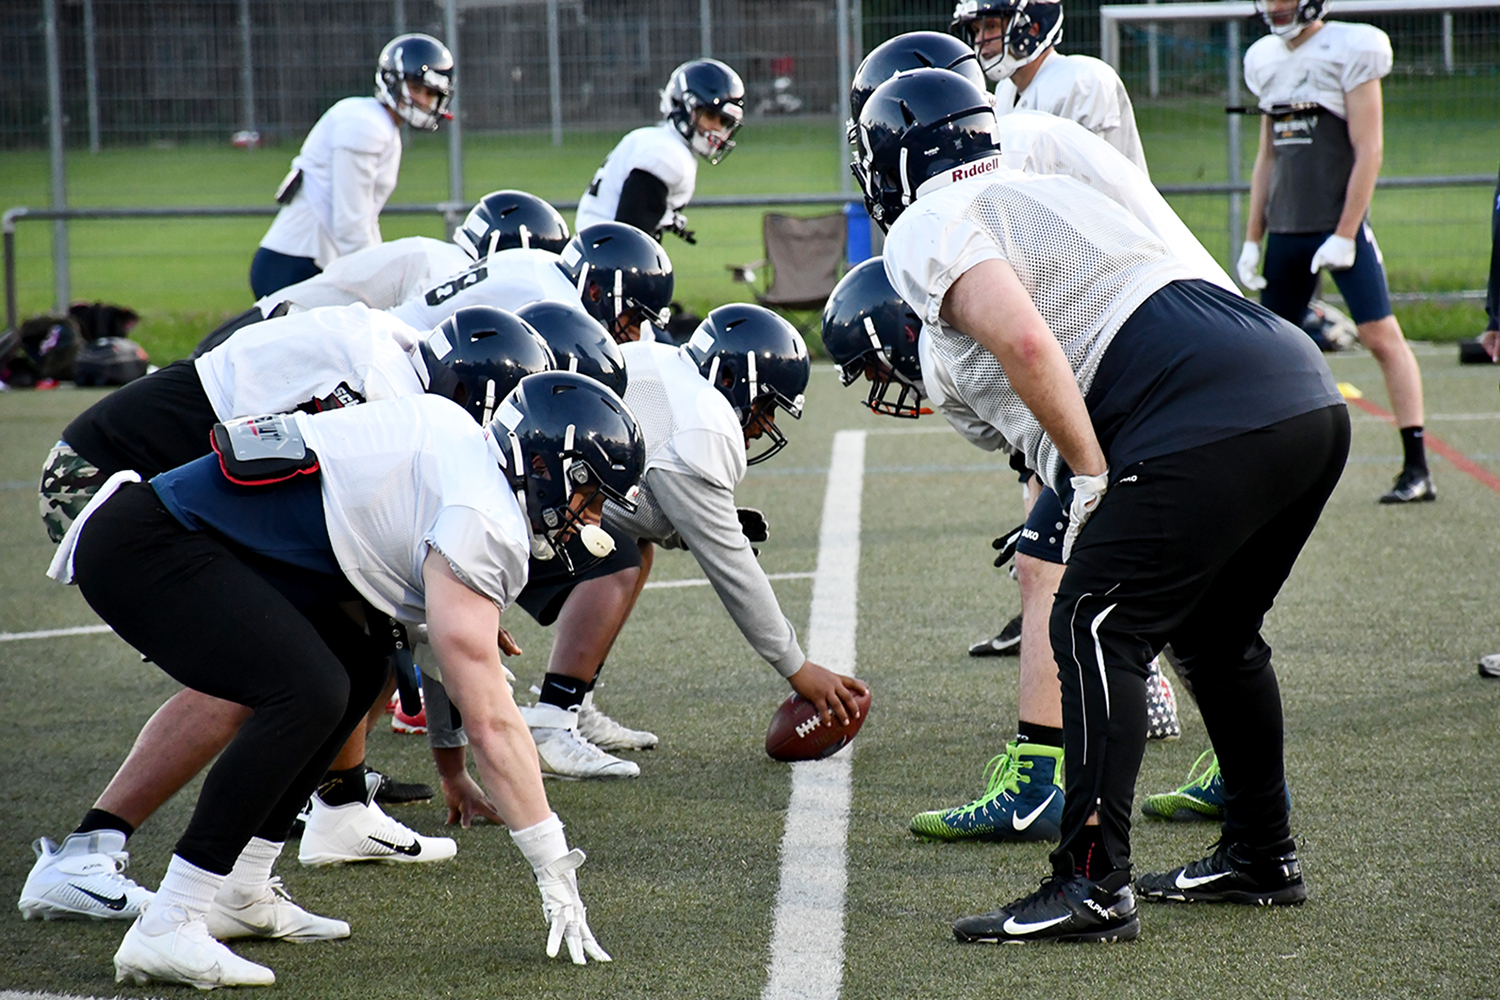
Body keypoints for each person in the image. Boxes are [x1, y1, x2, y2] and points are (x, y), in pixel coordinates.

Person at [856, 67, 1347, 942]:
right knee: (1214, 636)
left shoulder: (929, 225)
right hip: (1295, 379)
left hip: (1197, 398)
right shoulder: (1040, 184)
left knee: (1089, 625)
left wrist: (1086, 473)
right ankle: (1262, 853)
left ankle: (1091, 883)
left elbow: (1021, 335)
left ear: (893, 156)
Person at [44, 373, 635, 985]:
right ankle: (171, 920)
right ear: (543, 468)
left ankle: (240, 891)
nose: (588, 520)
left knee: (359, 665)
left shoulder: (460, 443)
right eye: (589, 498)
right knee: (306, 689)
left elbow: (397, 601)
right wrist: (552, 864)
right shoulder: (483, 517)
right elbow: (490, 718)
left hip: (176, 537)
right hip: (152, 543)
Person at [22, 306, 554, 925]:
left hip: (170, 480)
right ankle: (90, 853)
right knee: (270, 672)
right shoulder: (387, 390)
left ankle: (338, 806)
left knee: (351, 646)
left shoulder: (400, 351)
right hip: (111, 478)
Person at [1237, 0, 1430, 503]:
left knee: (1381, 336)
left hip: (1335, 226)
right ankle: (1265, 467)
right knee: (1266, 353)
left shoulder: (1351, 48)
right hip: (1286, 229)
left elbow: (1370, 148)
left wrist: (1346, 232)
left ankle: (1417, 467)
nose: (1275, 6)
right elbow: (1268, 159)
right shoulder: (1265, 59)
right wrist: (1253, 239)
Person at [249, 34, 454, 299]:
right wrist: (379, 282)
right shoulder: (365, 124)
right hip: (296, 264)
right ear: (392, 81)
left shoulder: (378, 124)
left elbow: (364, 219)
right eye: (416, 89)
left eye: (430, 93)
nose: (424, 101)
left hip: (310, 262)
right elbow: (351, 222)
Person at [389, 222, 674, 346]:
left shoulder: (541, 261)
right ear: (597, 291)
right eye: (634, 317)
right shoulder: (554, 305)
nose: (637, 333)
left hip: (394, 331)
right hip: (399, 356)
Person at [951, 0, 1148, 175]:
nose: (980, 40)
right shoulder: (1005, 90)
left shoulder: (1083, 80)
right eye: (976, 30)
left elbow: (1086, 184)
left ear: (1033, 28)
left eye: (991, 27)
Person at [575, 60, 745, 246]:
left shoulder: (653, 138)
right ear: (683, 107)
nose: (717, 128)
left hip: (593, 244)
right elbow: (630, 235)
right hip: (603, 253)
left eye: (724, 122)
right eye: (710, 116)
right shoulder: (667, 155)